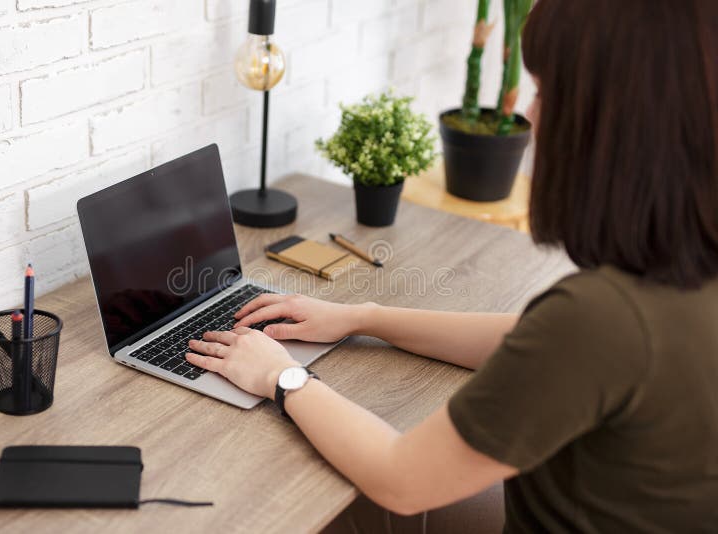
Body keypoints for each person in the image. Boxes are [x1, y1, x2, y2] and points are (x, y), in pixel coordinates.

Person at [185, 0, 718, 531]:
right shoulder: (672, 287)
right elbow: (524, 338)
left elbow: (404, 480)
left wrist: (281, 377)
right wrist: (362, 317)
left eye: (546, 91)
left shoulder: (602, 319)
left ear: (612, 124)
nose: (530, 117)